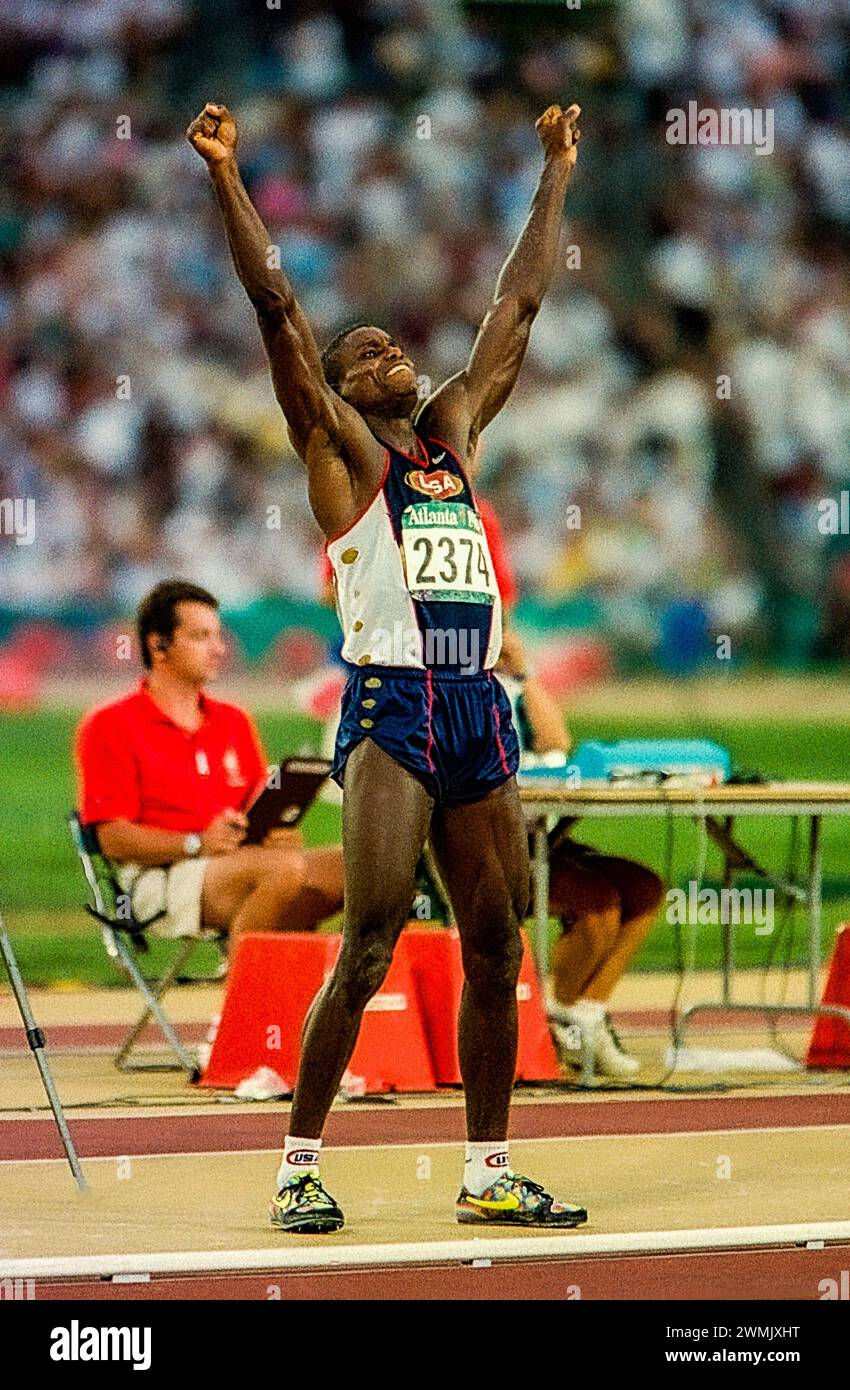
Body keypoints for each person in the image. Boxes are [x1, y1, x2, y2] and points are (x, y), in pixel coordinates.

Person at [188, 98, 587, 1233]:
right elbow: (276, 303)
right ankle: (300, 1165)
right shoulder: (339, 454)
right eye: (361, 353)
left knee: (498, 931)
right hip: (391, 703)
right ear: (337, 391)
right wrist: (227, 173)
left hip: (475, 700)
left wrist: (552, 165)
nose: (386, 350)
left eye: (390, 342)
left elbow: (517, 303)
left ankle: (488, 1170)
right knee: (367, 942)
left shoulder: (453, 434)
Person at [75, 580, 344, 948]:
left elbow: (255, 806)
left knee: (357, 869)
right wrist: (196, 843)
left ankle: (304, 989)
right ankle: (244, 1000)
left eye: (218, 636)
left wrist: (276, 832)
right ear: (158, 645)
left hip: (242, 864)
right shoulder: (109, 724)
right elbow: (114, 840)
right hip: (158, 877)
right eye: (201, 636)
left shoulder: (234, 720)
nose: (219, 649)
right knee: (282, 870)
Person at [495, 629, 663, 1077]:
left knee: (643, 887)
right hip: (491, 847)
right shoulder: (456, 686)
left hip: (540, 835)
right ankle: (565, 1024)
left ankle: (581, 1015)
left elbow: (556, 743)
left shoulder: (512, 686)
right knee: (597, 901)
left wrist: (524, 672)